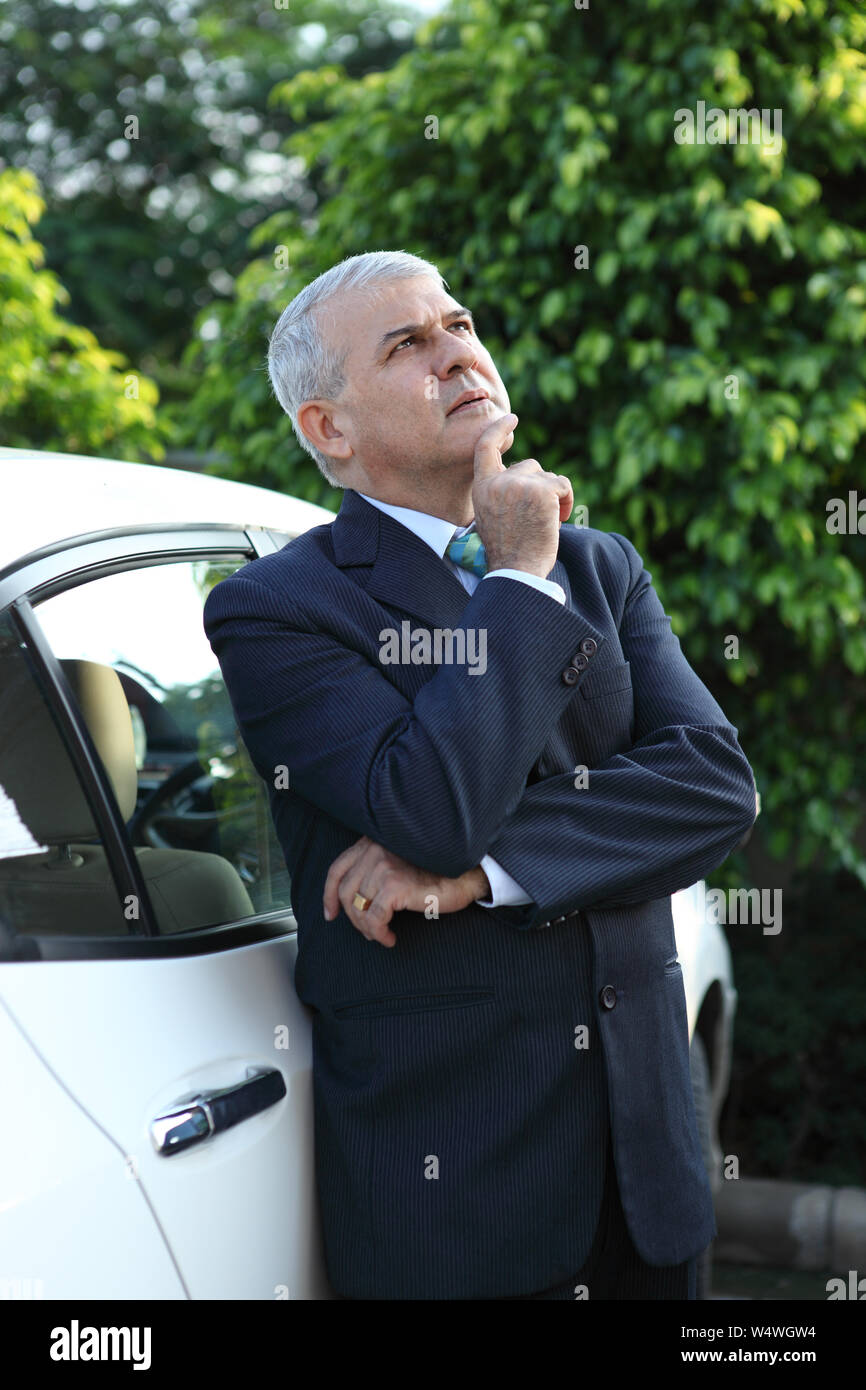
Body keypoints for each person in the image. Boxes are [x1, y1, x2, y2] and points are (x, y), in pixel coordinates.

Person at [203, 249, 757, 1300]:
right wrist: (515, 579)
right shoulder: (278, 607)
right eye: (407, 345)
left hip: (649, 1181)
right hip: (462, 1202)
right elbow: (430, 804)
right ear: (331, 429)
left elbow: (712, 786)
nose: (456, 354)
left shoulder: (602, 562)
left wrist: (474, 876)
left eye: (457, 324)